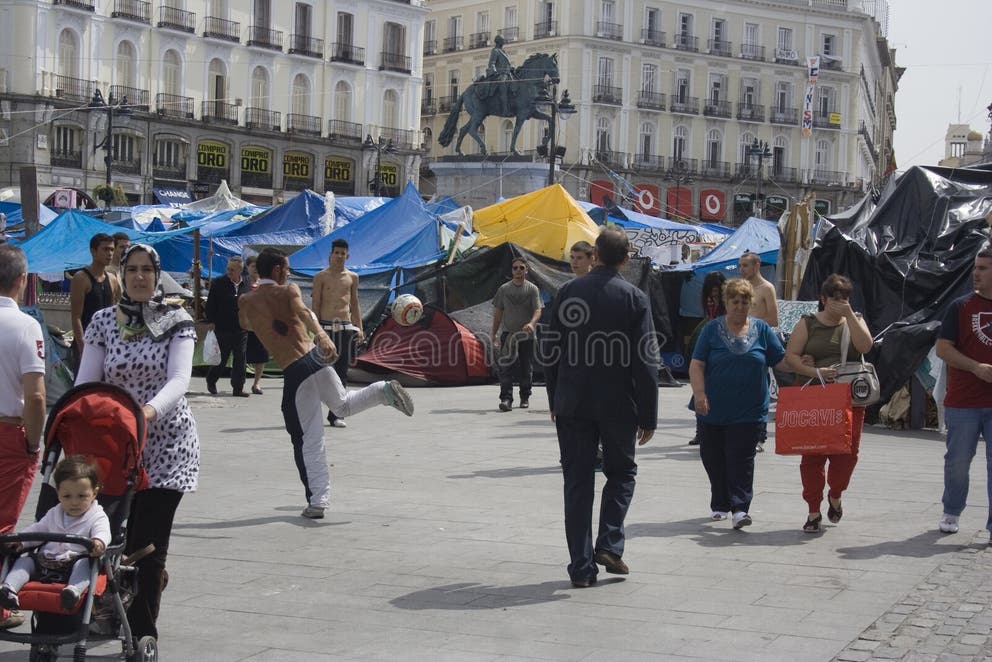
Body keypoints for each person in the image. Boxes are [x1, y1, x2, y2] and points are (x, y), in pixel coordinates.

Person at [75, 243, 199, 641]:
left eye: (148, 269)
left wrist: (146, 412)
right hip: (118, 446)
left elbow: (179, 380)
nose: (140, 276)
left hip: (167, 446)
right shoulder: (102, 322)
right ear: (122, 274)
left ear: (157, 274)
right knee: (109, 537)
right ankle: (133, 593)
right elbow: (87, 383)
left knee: (148, 541)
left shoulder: (177, 320)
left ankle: (144, 632)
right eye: (133, 270)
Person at [238, 248, 414, 520]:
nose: (288, 273)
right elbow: (305, 314)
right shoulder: (289, 291)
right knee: (342, 405)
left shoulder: (247, 300)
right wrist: (322, 337)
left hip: (296, 370)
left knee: (308, 438)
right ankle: (383, 390)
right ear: (276, 271)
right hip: (315, 357)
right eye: (286, 268)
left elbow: (246, 325)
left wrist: (263, 312)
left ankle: (318, 500)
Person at [544, 227, 658, 587]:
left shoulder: (567, 292)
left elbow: (550, 353)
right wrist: (648, 413)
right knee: (621, 473)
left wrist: (554, 399)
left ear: (594, 254)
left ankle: (581, 567)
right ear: (625, 259)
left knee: (577, 483)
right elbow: (646, 361)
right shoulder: (634, 298)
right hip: (618, 404)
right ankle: (609, 542)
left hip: (573, 403)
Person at [689, 278, 786, 530]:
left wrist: (806, 364)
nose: (740, 306)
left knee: (741, 459)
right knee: (713, 457)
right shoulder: (711, 329)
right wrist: (700, 394)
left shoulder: (762, 330)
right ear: (726, 302)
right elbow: (697, 364)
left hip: (749, 409)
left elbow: (781, 360)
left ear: (751, 303)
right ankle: (720, 502)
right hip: (713, 408)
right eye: (735, 301)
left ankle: (740, 508)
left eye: (745, 301)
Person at [785, 274, 873, 533]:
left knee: (846, 456)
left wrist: (851, 317)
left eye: (844, 298)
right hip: (816, 399)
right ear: (822, 299)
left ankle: (835, 494)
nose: (839, 303)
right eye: (834, 299)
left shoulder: (854, 320)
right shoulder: (808, 323)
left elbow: (866, 345)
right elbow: (791, 356)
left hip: (849, 402)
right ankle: (813, 510)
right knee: (812, 456)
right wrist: (814, 372)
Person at [0, 244, 46, 630]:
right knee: (2, 521)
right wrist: (34, 440)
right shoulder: (25, 325)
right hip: (8, 430)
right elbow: (35, 395)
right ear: (21, 281)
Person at [0, 456, 111, 612]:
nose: (74, 502)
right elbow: (38, 530)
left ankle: (73, 591)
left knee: (84, 564)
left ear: (94, 493)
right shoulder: (54, 513)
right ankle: (9, 589)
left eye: (82, 496)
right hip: (46, 561)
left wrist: (98, 542)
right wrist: (20, 542)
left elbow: (103, 531)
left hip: (73, 562)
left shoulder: (96, 516)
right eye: (67, 496)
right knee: (24, 562)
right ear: (58, 493)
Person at [935, 248, 992, 535]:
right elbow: (943, 348)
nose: (976, 273)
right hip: (963, 401)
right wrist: (975, 367)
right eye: (975, 267)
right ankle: (951, 511)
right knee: (958, 461)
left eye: (983, 268)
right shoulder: (960, 306)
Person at [311, 239, 365, 428]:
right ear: (330, 255)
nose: (340, 256)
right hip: (325, 328)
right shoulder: (321, 277)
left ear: (347, 256)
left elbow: (355, 304)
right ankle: (313, 412)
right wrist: (316, 330)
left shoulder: (352, 277)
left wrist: (360, 328)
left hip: (345, 327)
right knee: (321, 372)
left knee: (341, 372)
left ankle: (336, 413)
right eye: (337, 253)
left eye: (343, 253)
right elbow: (315, 304)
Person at [738, 251, 778, 452]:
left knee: (759, 389)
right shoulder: (741, 289)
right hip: (738, 344)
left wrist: (750, 323)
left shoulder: (766, 288)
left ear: (756, 265)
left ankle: (759, 435)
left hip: (758, 344)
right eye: (740, 265)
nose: (741, 269)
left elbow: (774, 319)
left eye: (745, 265)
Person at [492, 258, 542, 411]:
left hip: (526, 336)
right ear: (511, 270)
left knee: (526, 367)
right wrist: (494, 334)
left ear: (526, 270)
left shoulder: (532, 289)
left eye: (521, 268)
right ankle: (506, 399)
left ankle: (525, 396)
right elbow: (498, 312)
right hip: (508, 335)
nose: (518, 270)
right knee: (506, 367)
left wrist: (532, 323)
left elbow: (538, 310)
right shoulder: (503, 289)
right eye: (515, 268)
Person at [686, 270, 728, 446]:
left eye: (716, 288)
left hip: (723, 344)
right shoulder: (710, 301)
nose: (714, 293)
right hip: (709, 342)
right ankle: (700, 431)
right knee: (699, 390)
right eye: (711, 289)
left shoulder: (728, 301)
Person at [69, 233, 120, 361]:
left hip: (107, 343)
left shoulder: (112, 279)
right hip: (87, 343)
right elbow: (76, 317)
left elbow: (114, 314)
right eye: (105, 249)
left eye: (112, 249)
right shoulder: (81, 278)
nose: (109, 253)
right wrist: (82, 348)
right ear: (93, 251)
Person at [205, 257, 250, 397]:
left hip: (241, 328)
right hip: (222, 327)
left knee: (240, 359)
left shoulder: (246, 284)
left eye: (232, 269)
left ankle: (238, 388)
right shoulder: (219, 282)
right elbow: (210, 304)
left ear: (240, 270)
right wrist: (211, 320)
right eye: (228, 268)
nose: (229, 271)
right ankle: (211, 380)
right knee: (221, 358)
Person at [244, 256, 269, 395]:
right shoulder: (243, 282)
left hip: (261, 324)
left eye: (258, 266)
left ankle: (257, 383)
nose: (255, 269)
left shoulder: (265, 283)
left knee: (261, 355)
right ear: (247, 268)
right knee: (242, 354)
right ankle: (240, 382)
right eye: (253, 266)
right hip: (246, 324)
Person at [486, 34, 514, 115]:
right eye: (502, 40)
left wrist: (511, 68)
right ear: (498, 42)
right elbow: (492, 63)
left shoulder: (503, 51)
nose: (504, 42)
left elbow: (507, 64)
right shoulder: (495, 51)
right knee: (503, 86)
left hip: (507, 74)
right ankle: (505, 110)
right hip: (499, 75)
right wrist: (494, 71)